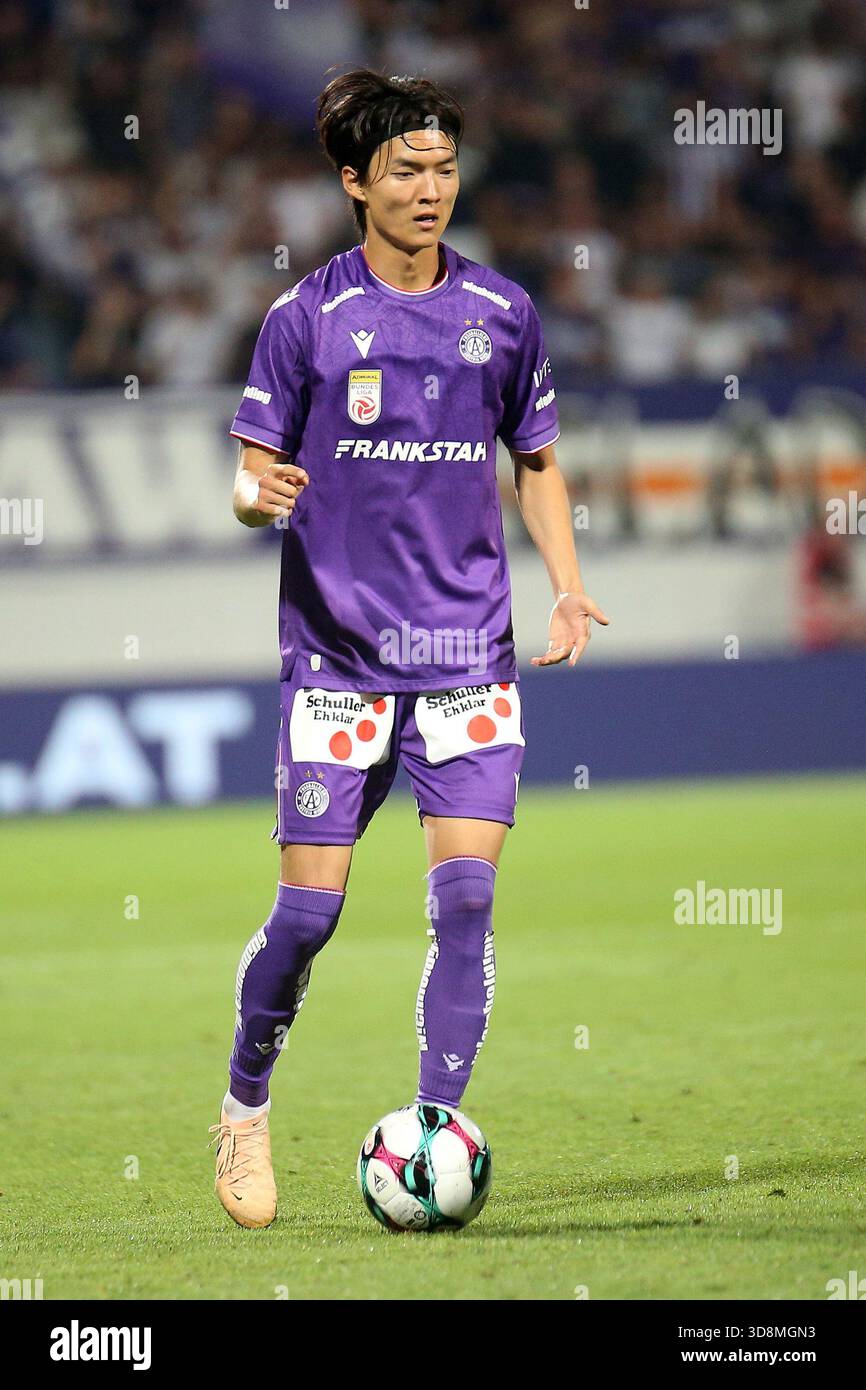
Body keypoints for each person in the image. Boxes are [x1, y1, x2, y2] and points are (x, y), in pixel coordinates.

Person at [209, 69, 609, 1228]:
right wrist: (255, 497)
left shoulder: (503, 313)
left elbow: (535, 460)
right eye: (405, 171)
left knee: (468, 903)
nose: (430, 189)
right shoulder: (305, 321)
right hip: (335, 664)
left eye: (442, 168)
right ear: (354, 182)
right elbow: (245, 476)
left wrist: (569, 588)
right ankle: (242, 1110)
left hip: (466, 659)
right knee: (309, 918)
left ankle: (430, 1131)